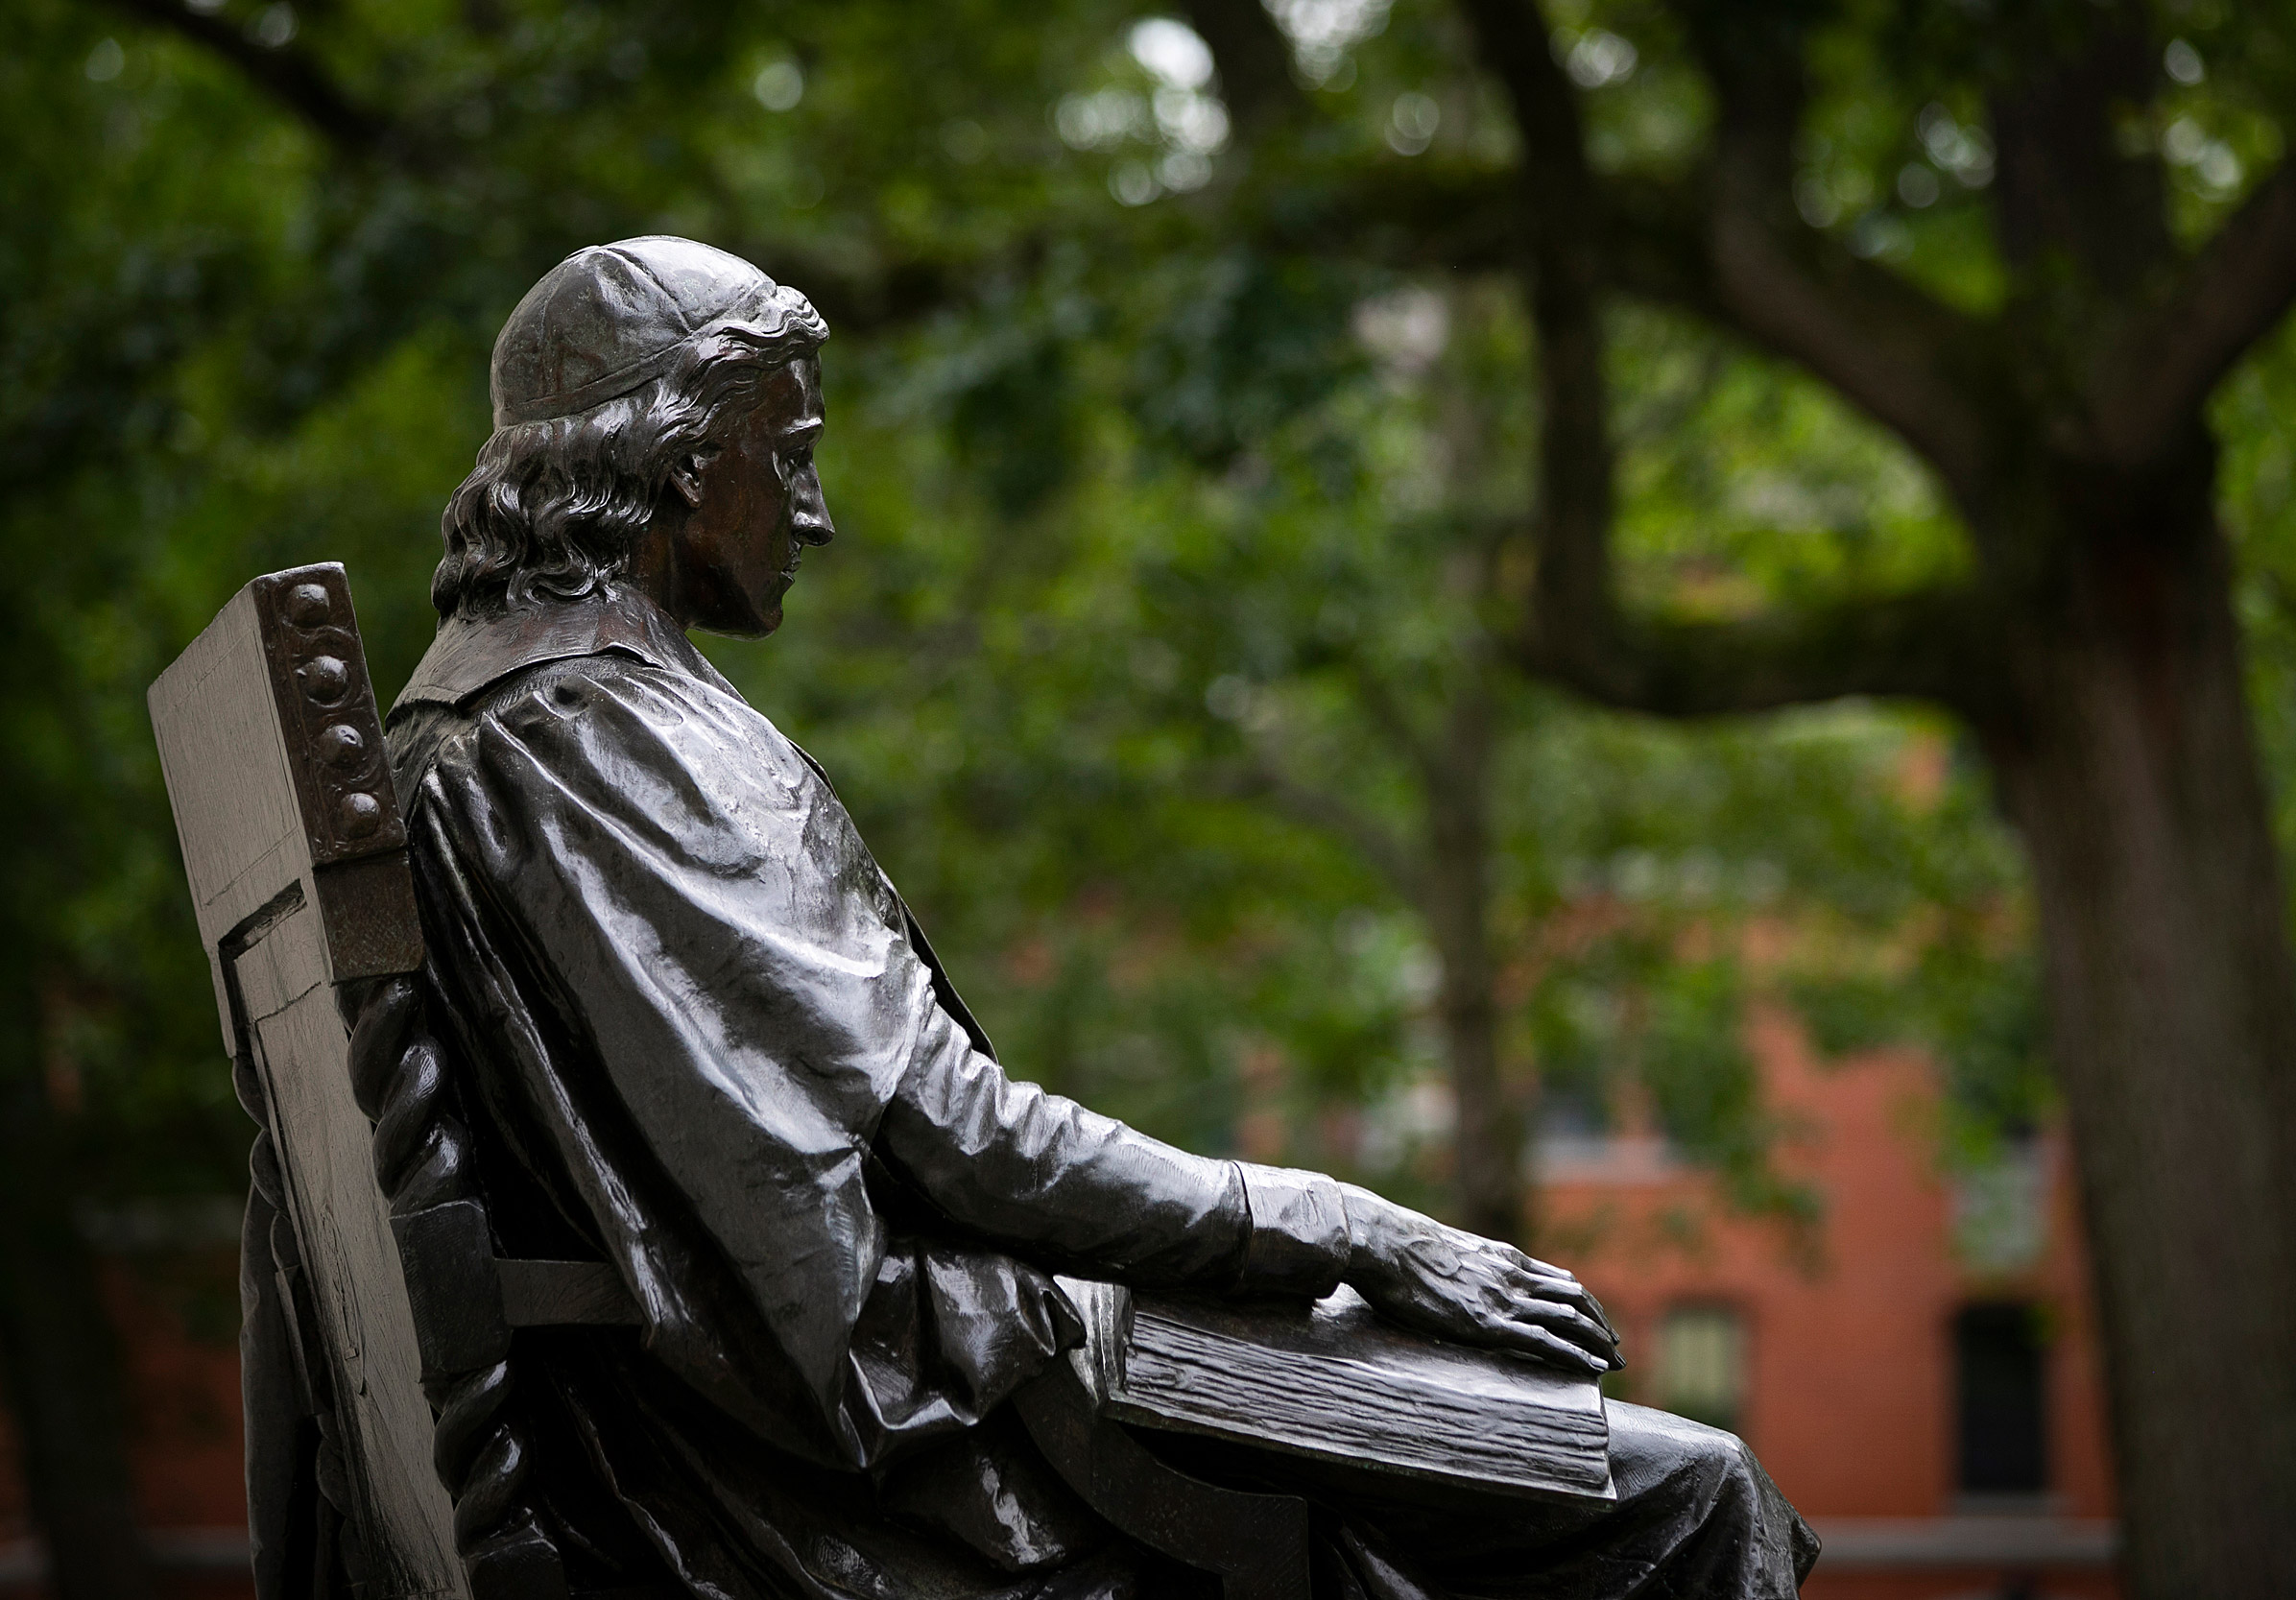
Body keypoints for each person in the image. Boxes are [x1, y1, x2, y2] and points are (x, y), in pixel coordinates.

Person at [380, 236, 1817, 1600]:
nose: (815, 513)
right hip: (914, 1449)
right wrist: (1339, 1222)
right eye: (793, 458)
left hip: (736, 1431)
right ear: (688, 462)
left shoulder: (483, 724)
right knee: (1687, 1499)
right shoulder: (616, 737)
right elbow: (958, 1142)